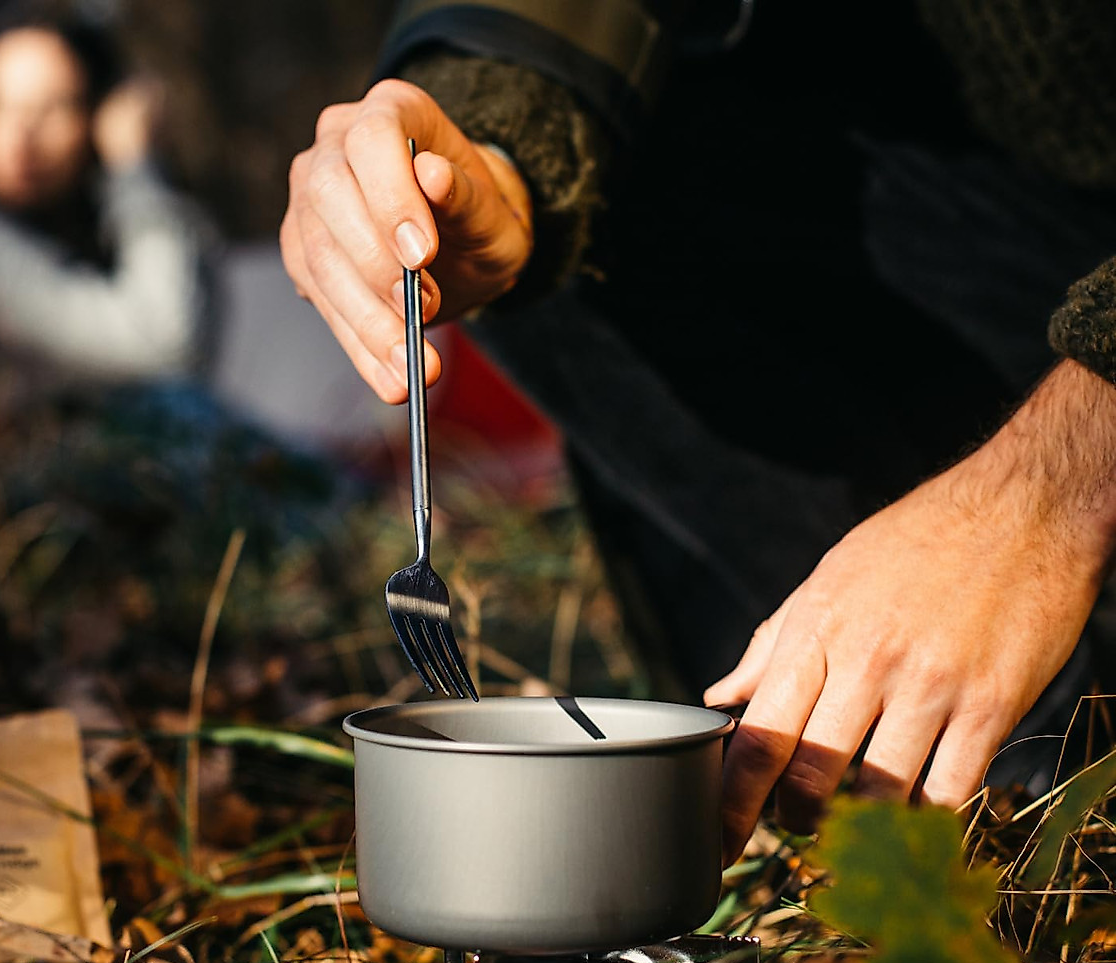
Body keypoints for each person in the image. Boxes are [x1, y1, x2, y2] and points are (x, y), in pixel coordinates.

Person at [280, 0, 1116, 865]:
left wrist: (1049, 488)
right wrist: (491, 145)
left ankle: (1043, 763)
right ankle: (1016, 765)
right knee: (585, 207)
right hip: (944, 194)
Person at [0, 6, 215, 392]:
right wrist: (135, 168)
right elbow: (168, 342)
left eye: (52, 108)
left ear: (100, 117)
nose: (20, 137)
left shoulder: (98, 232)